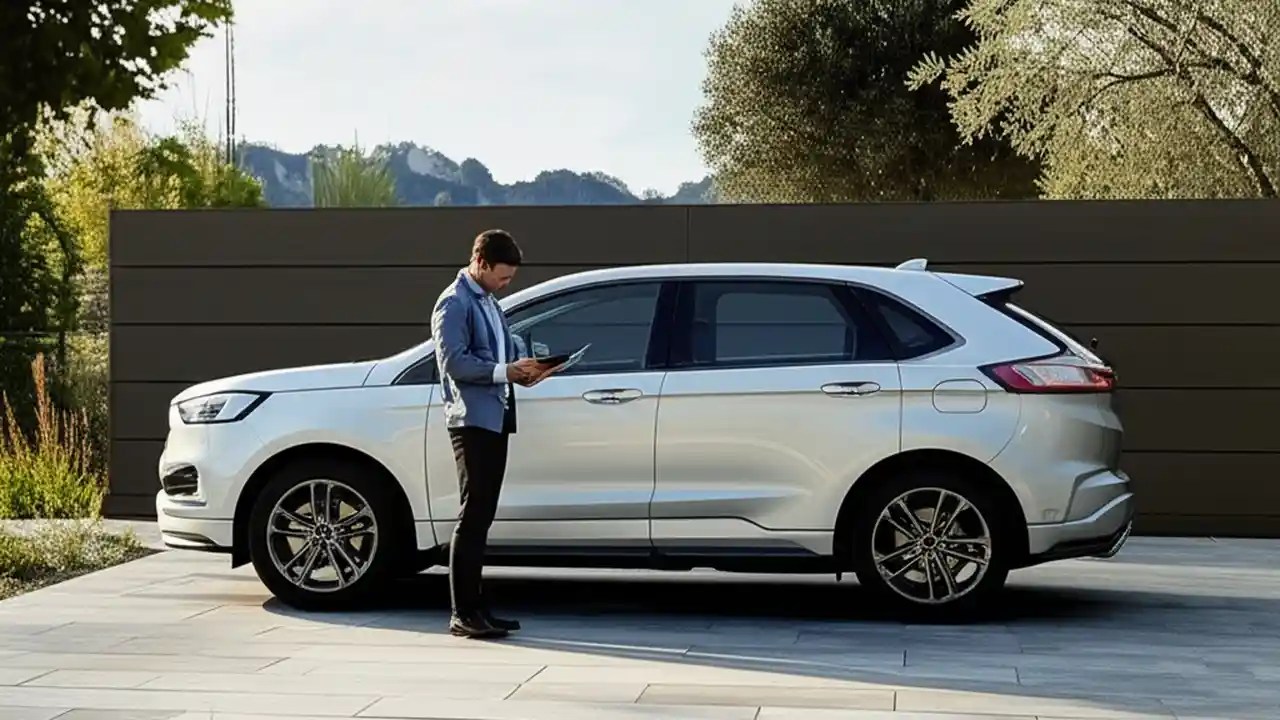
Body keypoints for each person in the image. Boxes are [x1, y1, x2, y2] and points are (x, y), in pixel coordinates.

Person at [430, 228, 559, 639]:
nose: (507, 284)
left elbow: (499, 354)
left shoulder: (489, 302)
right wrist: (505, 372)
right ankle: (462, 613)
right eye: (502, 276)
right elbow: (456, 363)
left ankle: (477, 608)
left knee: (482, 515)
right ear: (481, 263)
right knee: (472, 515)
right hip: (471, 420)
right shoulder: (453, 303)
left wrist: (526, 370)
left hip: (496, 415)